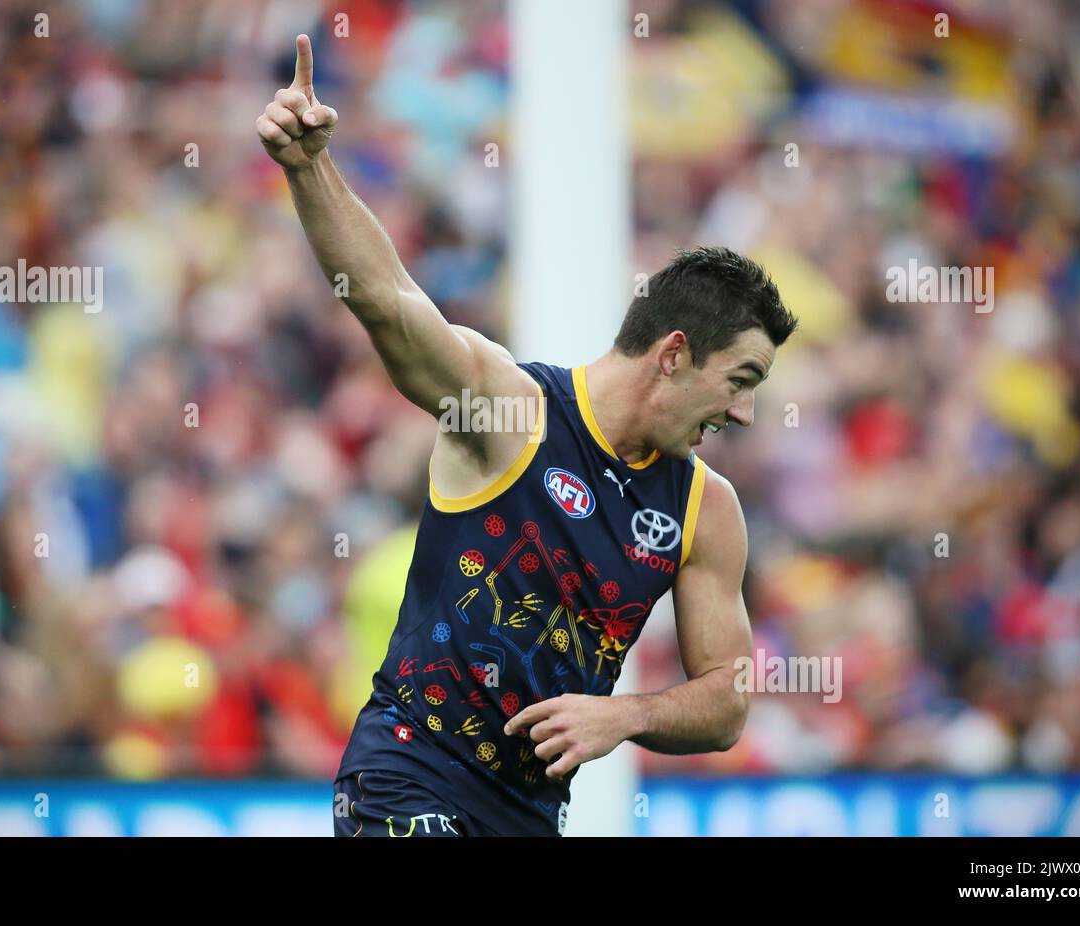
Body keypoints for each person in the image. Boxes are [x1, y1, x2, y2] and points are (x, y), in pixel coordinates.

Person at [257, 35, 798, 836]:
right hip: (408, 777)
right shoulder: (510, 409)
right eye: (741, 381)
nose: (745, 413)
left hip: (528, 817)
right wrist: (309, 168)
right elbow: (385, 298)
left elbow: (727, 699)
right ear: (675, 354)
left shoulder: (703, 511)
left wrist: (630, 716)